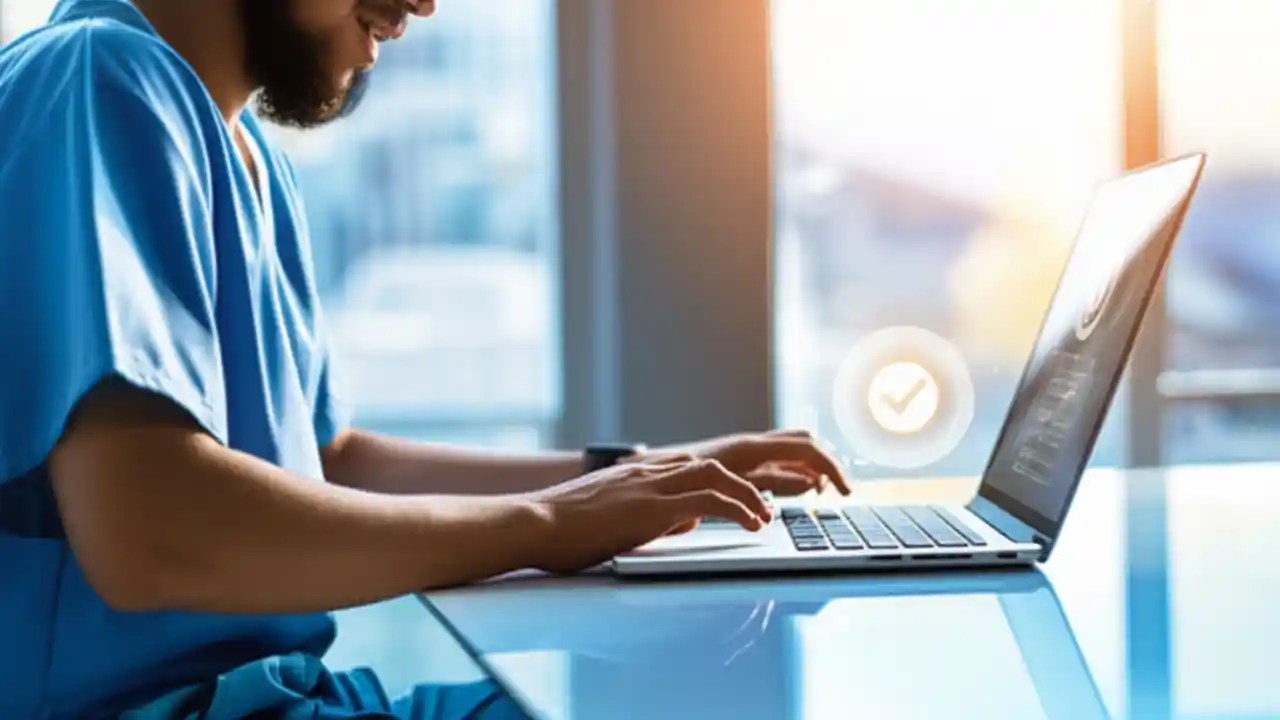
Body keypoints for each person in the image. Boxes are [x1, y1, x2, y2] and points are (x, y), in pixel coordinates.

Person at [0, 0, 851, 716]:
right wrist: (550, 525)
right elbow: (154, 532)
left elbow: (328, 464)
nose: (425, 2)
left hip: (294, 700)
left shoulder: (245, 150)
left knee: (678, 686)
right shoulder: (96, 77)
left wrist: (632, 477)